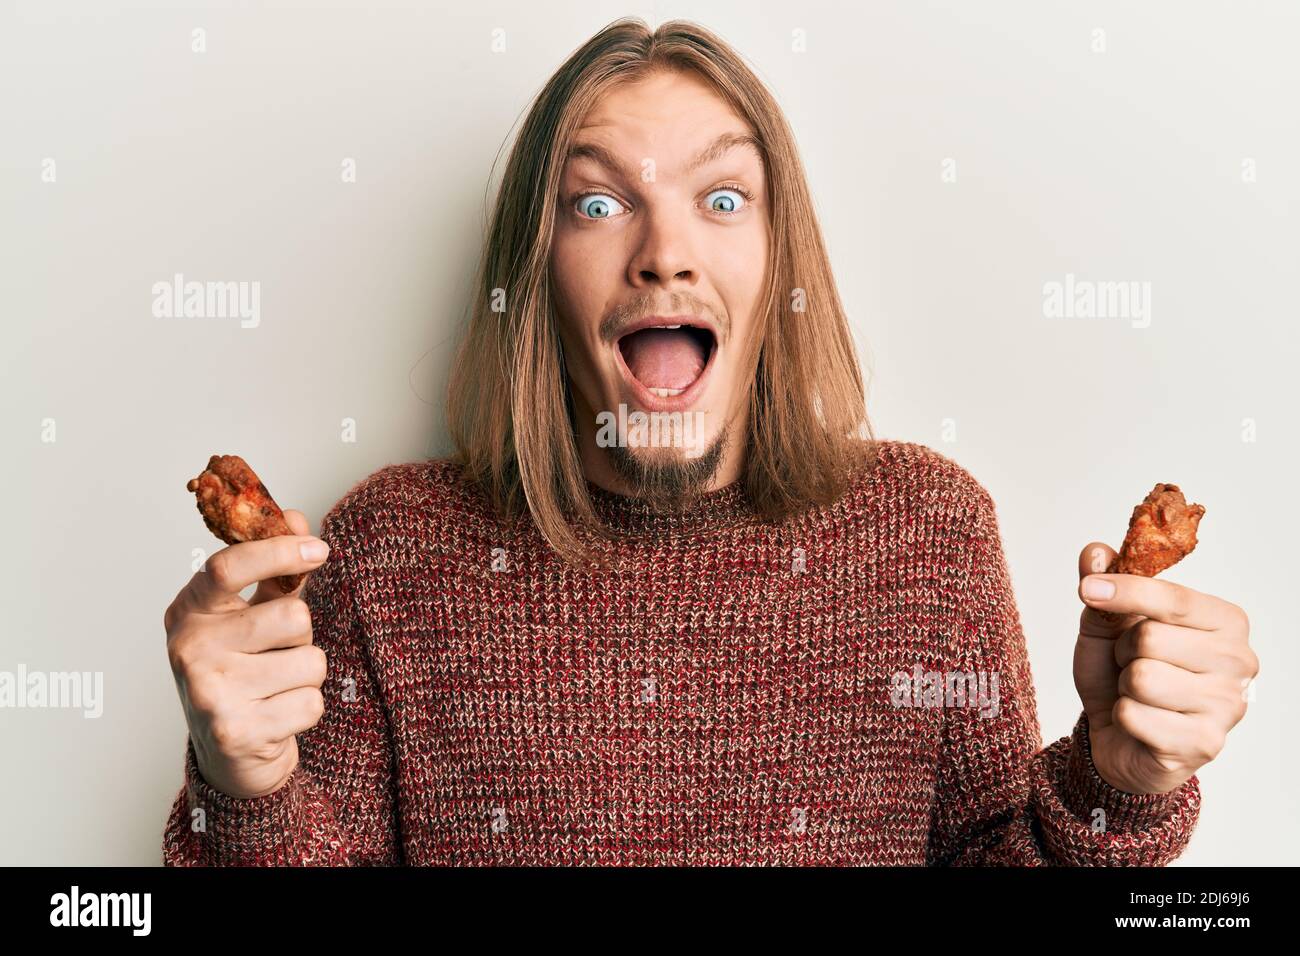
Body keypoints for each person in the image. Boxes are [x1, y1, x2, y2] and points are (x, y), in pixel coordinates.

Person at [161, 18, 1256, 866]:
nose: (664, 252)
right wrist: (243, 786)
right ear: (532, 272)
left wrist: (1120, 785)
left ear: (780, 266)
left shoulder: (926, 533)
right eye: (596, 206)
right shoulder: (392, 548)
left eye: (723, 197)